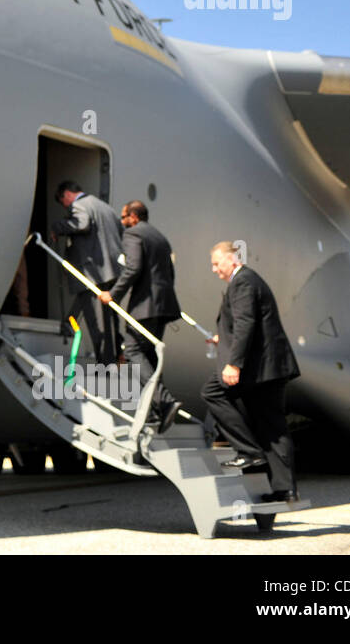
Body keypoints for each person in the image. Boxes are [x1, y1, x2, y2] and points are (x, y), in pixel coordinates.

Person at [200, 242, 300, 502]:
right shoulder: (248, 280)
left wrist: (234, 363)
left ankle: (248, 450)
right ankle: (285, 490)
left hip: (258, 367)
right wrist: (222, 338)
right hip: (268, 368)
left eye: (216, 263)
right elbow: (245, 324)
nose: (214, 269)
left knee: (212, 392)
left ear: (232, 260)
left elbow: (246, 322)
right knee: (273, 427)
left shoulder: (242, 282)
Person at [98, 200, 182, 432]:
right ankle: (156, 411)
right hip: (164, 304)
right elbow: (170, 272)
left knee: (133, 350)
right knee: (150, 358)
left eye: (124, 217)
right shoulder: (160, 237)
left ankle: (164, 401)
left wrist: (113, 294)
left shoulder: (133, 234)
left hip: (145, 306)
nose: (123, 222)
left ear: (134, 217)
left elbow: (133, 268)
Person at [50, 181, 123, 363]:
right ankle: (110, 358)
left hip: (91, 272)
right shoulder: (105, 207)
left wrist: (57, 227)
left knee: (95, 323)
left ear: (66, 194)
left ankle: (105, 363)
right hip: (110, 272)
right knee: (109, 320)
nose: (66, 207)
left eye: (63, 202)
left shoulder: (80, 205)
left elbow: (81, 224)